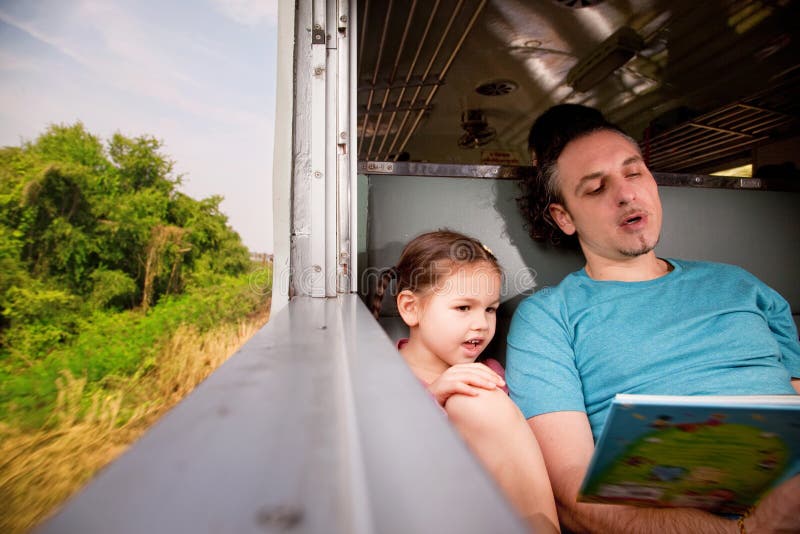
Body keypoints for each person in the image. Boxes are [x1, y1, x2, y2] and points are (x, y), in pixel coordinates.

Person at [506, 104, 800, 533]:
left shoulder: (741, 286)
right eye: (595, 188)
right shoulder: (550, 318)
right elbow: (574, 499)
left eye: (634, 172)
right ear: (564, 217)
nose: (626, 194)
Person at [372, 230, 560, 533]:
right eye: (463, 308)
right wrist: (434, 396)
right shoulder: (386, 377)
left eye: (490, 309)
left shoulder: (491, 373)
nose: (481, 324)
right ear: (410, 308)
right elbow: (388, 460)